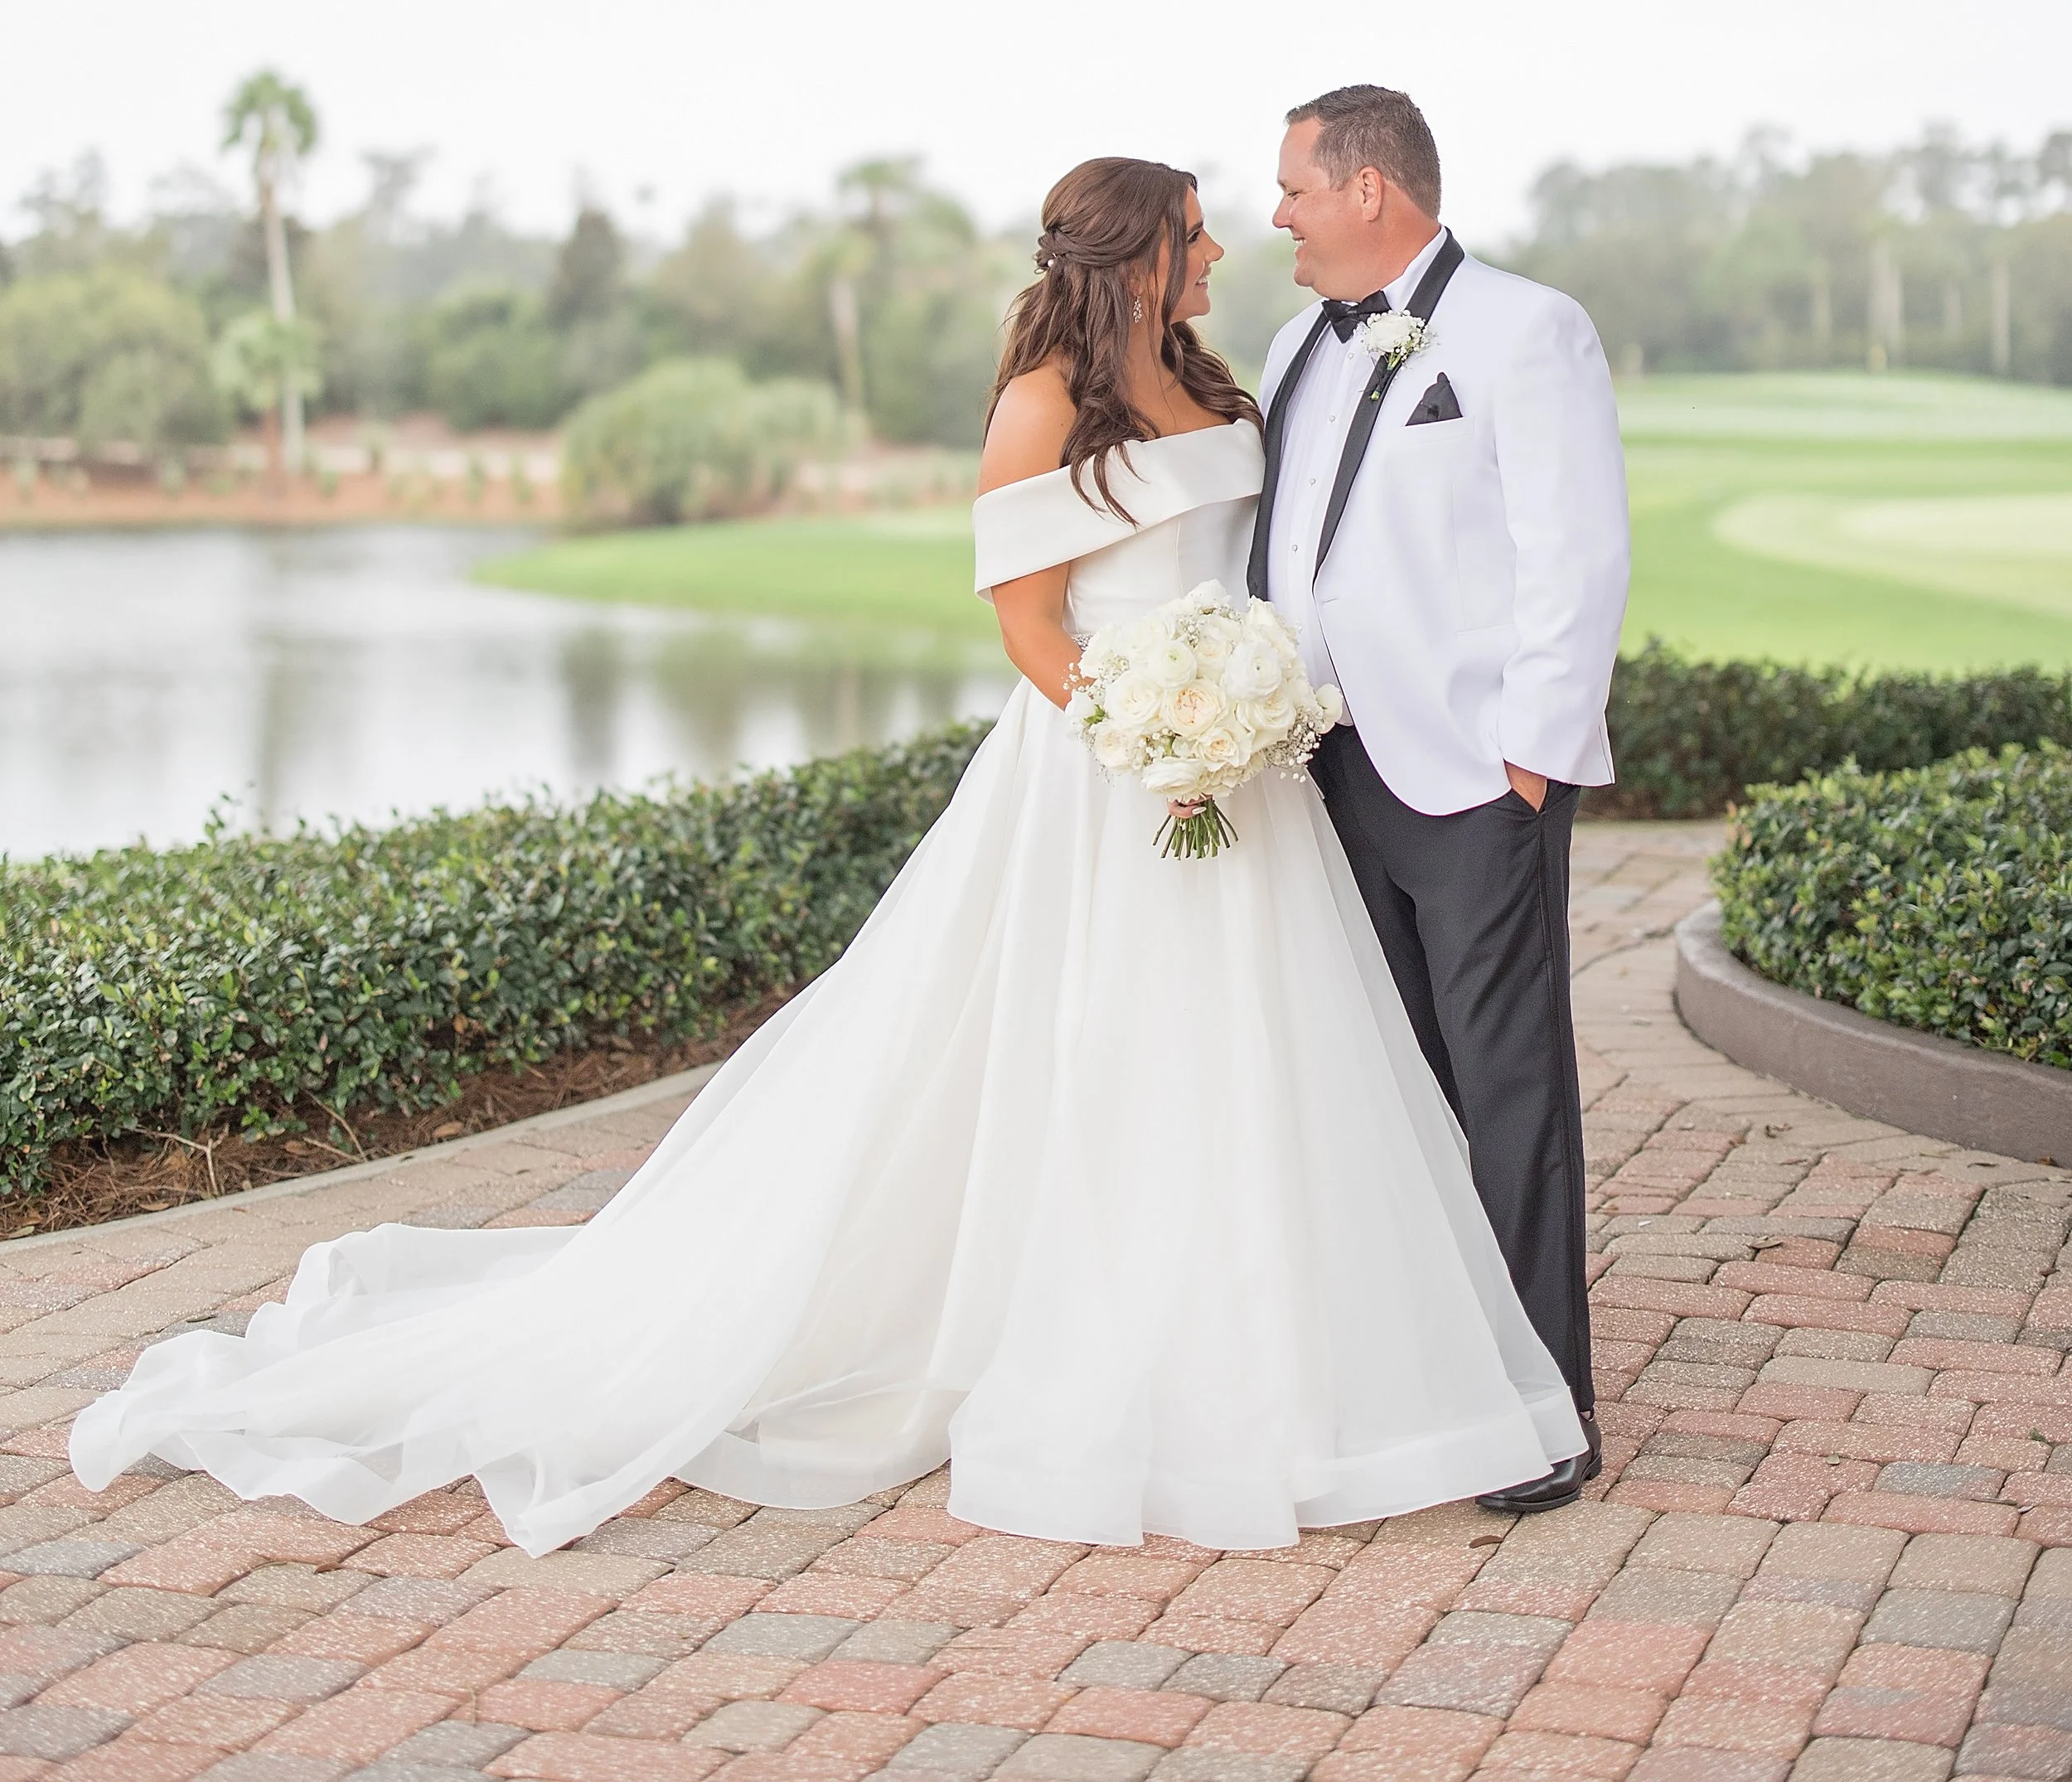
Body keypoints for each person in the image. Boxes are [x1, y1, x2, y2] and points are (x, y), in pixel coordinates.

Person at [71, 155, 1581, 1558]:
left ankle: (1270, 1339)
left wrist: (1231, 730)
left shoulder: (1217, 373)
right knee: (1091, 1050)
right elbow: (1029, 625)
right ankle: (1093, 1337)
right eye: (1196, 229)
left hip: (1244, 783)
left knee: (1251, 1064)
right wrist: (1152, 738)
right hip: (1107, 773)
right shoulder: (1044, 401)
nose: (1224, 245)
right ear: (1138, 251)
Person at [1254, 87, 1631, 1513]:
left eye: (1294, 186)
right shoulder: (1296, 341)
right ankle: (1426, 1381)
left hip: (1471, 772)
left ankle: (1542, 1411)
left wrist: (1527, 755)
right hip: (1326, 765)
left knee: (1506, 1082)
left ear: (1368, 188)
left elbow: (1577, 552)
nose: (1278, 212)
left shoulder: (1528, 328)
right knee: (1391, 1081)